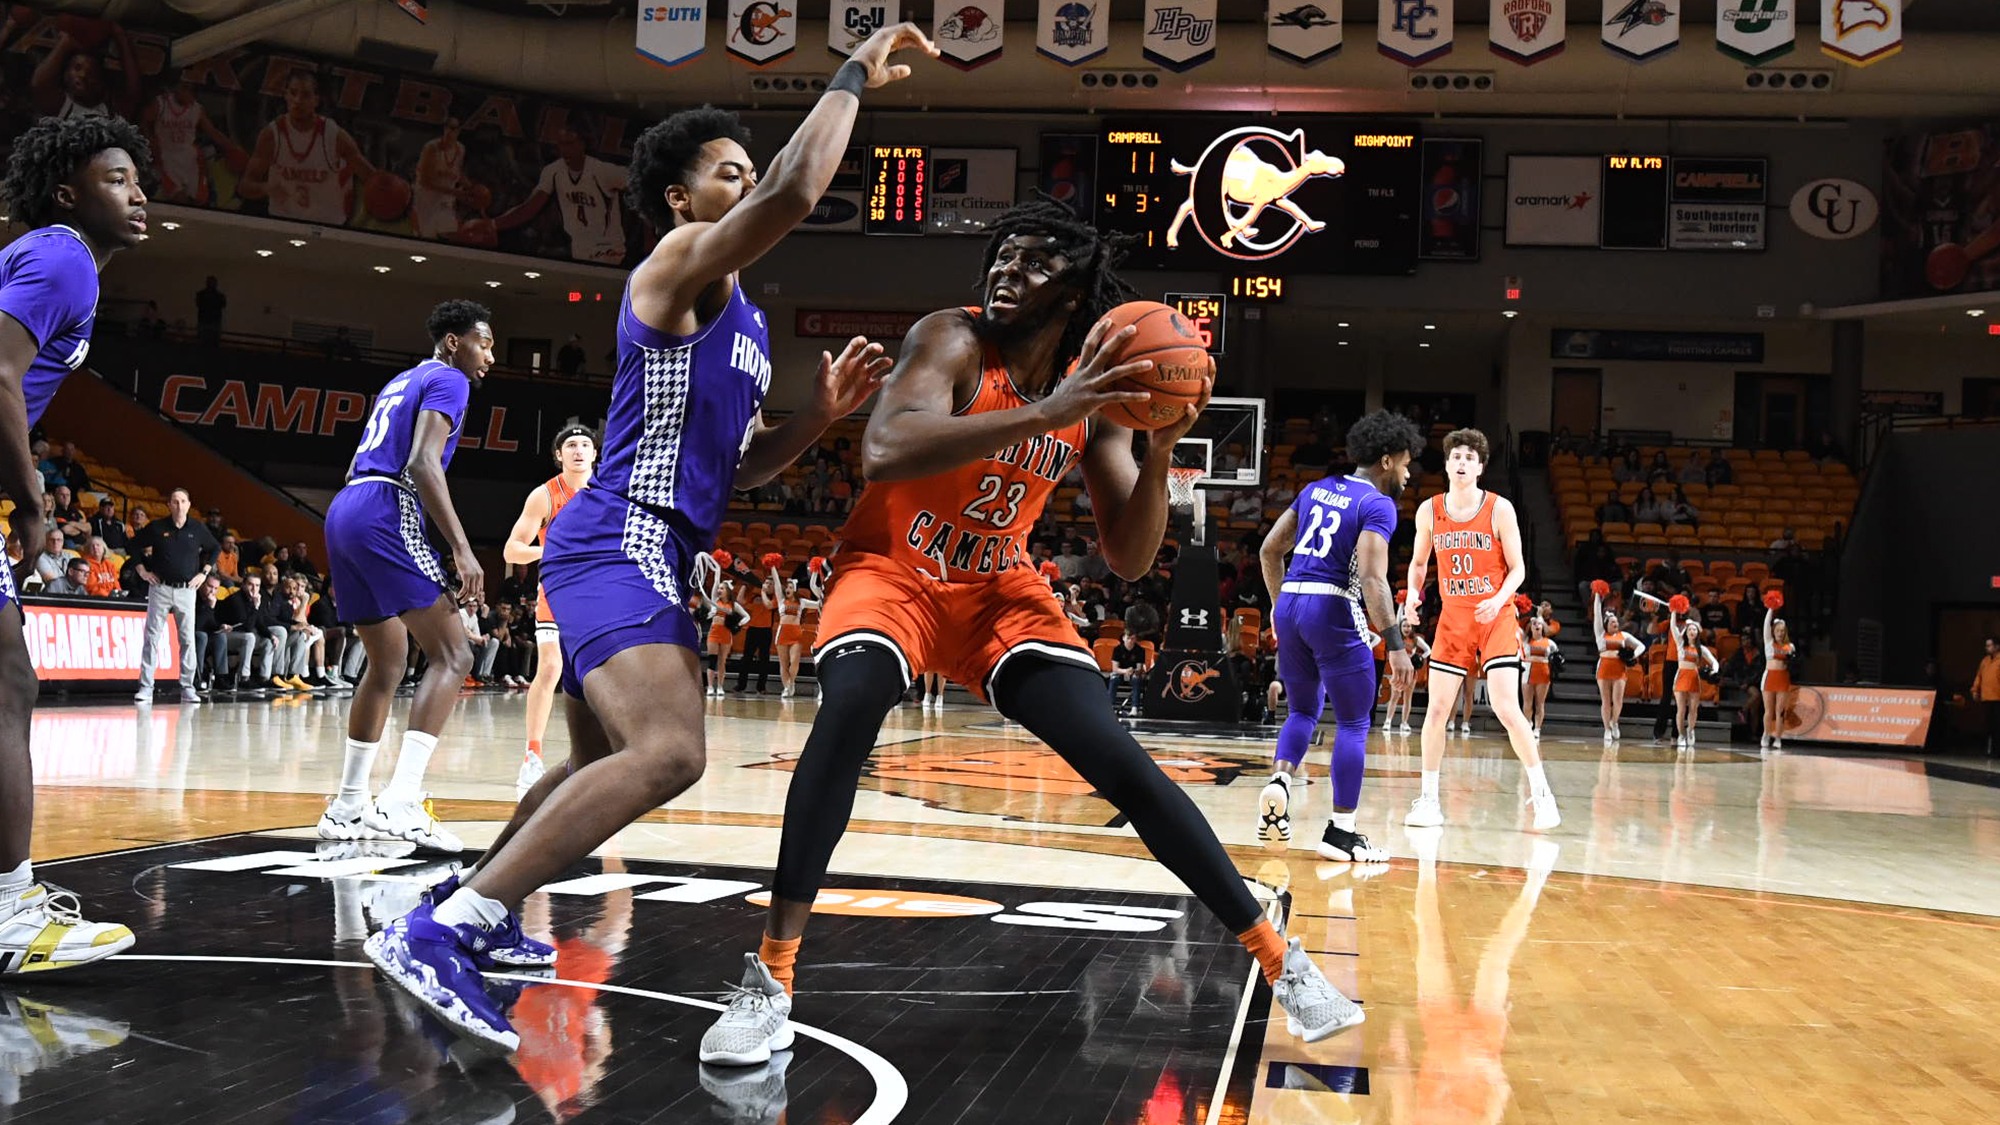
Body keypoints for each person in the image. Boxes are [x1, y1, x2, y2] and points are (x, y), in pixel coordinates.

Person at [364, 24, 937, 1051]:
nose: (748, 183)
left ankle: (469, 904)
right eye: (728, 173)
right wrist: (848, 77)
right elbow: (795, 195)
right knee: (670, 752)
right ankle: (448, 929)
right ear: (681, 200)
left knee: (593, 764)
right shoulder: (676, 265)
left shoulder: (747, 321)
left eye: (748, 171)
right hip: (617, 533)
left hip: (665, 544)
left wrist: (818, 420)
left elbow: (744, 468)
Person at [698, 198, 1361, 1070]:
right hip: (894, 568)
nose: (1009, 270)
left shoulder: (1092, 392)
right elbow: (887, 449)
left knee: (1116, 755)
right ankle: (771, 980)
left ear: (1078, 290)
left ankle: (1285, 965)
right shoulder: (954, 339)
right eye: (1003, 256)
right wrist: (1054, 413)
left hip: (998, 590)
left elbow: (1128, 556)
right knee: (849, 708)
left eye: (1037, 261)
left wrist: (1158, 451)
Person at [0, 113, 151, 973]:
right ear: (67, 193)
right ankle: (11, 912)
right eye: (118, 180)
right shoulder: (63, 257)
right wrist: (30, 502)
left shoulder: (53, 261)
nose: (140, 195)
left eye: (137, 180)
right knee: (8, 685)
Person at [314, 300, 494, 853]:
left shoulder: (401, 379)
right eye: (483, 343)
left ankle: (347, 805)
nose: (489, 357)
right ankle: (402, 798)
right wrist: (462, 549)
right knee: (455, 654)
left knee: (387, 661)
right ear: (452, 342)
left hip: (345, 506)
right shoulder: (449, 379)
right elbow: (421, 462)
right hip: (387, 506)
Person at [1256, 410, 1422, 862]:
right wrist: (1396, 644)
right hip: (1332, 604)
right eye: (1406, 463)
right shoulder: (1378, 505)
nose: (1408, 473)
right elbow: (1372, 579)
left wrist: (1278, 607)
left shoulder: (1315, 489)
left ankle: (1280, 781)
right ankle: (1342, 833)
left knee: (1303, 710)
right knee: (1352, 722)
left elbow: (1270, 550)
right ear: (1387, 460)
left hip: (1290, 602)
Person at [1403, 429, 1560, 833]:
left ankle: (1542, 794)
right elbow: (1419, 564)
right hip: (1454, 618)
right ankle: (1429, 800)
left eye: (1470, 457)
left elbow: (1519, 567)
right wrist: (1412, 597)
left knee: (1508, 708)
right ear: (1447, 463)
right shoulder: (1429, 510)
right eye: (1455, 455)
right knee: (1436, 710)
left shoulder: (1500, 509)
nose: (1461, 462)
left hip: (1496, 616)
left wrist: (1500, 596)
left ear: (1480, 466)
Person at [501, 422, 597, 797]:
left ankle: (592, 755)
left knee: (595, 675)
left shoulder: (606, 493)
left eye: (584, 444)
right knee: (552, 667)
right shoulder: (544, 495)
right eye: (570, 444)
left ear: (594, 454)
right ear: (559, 455)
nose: (577, 450)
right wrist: (551, 552)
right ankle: (532, 756)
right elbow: (512, 550)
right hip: (558, 589)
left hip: (598, 594)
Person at [236, 70, 377, 226]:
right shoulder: (272, 135)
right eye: (293, 93)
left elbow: (372, 179)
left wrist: (389, 193)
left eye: (305, 95)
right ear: (285, 95)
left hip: (328, 227)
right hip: (282, 224)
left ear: (316, 100)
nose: (298, 100)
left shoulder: (334, 136)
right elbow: (244, 186)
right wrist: (266, 188)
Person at [130, 487, 219, 702]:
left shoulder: (197, 528)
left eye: (183, 501)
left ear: (189, 504)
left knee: (187, 639)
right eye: (175, 502)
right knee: (152, 637)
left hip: (187, 590)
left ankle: (188, 687)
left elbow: (215, 548)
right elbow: (133, 545)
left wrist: (204, 573)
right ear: (169, 505)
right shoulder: (157, 527)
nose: (179, 505)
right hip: (160, 588)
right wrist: (142, 570)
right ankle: (146, 687)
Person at [492, 127, 630, 265]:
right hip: (579, 249)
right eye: (561, 144)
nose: (564, 149)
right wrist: (493, 224)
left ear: (583, 144)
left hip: (608, 248)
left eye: (569, 143)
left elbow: (644, 185)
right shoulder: (553, 171)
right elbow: (530, 207)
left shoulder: (604, 171)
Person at [141, 73, 241, 206]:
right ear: (178, 88)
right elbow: (144, 121)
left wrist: (232, 148)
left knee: (199, 201)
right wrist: (150, 140)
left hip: (190, 157)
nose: (188, 93)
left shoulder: (197, 109)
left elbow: (212, 132)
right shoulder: (161, 103)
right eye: (185, 88)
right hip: (167, 155)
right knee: (178, 197)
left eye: (191, 90)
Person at [1591, 590, 1646, 741]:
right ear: (1606, 624)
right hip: (1603, 669)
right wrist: (1597, 595)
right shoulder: (1601, 634)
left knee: (1618, 700)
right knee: (1606, 700)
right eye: (1612, 622)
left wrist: (1632, 656)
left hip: (1619, 669)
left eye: (1616, 621)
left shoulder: (1625, 636)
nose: (1615, 623)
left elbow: (1641, 646)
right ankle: (1606, 729)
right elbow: (1597, 614)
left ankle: (1614, 722)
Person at [411, 117, 467, 239]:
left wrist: (470, 187)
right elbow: (425, 182)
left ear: (459, 131)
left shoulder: (460, 149)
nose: (449, 131)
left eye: (453, 128)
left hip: (445, 200)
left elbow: (457, 171)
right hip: (425, 199)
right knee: (426, 239)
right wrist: (455, 192)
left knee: (452, 235)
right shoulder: (431, 148)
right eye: (447, 127)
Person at [1669, 610, 1718, 750]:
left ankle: (1690, 730)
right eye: (1690, 629)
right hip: (1681, 677)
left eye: (1694, 629)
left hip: (1694, 678)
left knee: (1693, 709)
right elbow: (1673, 627)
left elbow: (1714, 662)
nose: (1692, 631)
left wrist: (1714, 670)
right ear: (1686, 631)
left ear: (1697, 632)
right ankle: (1681, 735)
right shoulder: (1680, 644)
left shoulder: (1701, 648)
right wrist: (1673, 612)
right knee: (1680, 709)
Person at [771, 574, 819, 700]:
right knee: (783, 663)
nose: (788, 589)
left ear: (795, 590)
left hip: (796, 633)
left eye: (791, 587)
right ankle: (786, 687)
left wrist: (822, 593)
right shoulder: (781, 600)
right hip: (782, 632)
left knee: (794, 661)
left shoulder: (801, 602)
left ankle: (791, 682)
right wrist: (773, 567)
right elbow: (776, 582)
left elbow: (818, 604)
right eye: (787, 587)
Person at [1383, 620, 1429, 733]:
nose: (1406, 628)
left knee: (1407, 699)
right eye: (1404, 626)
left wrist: (1419, 658)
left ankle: (1404, 723)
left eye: (1408, 626)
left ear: (1412, 628)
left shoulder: (1416, 639)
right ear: (1401, 627)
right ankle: (1388, 721)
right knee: (1394, 697)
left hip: (1411, 672)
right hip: (1398, 671)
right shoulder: (1397, 639)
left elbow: (1428, 650)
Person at [1761, 600, 1795, 749]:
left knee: (1780, 711)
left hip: (1782, 678)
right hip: (1769, 678)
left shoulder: (1790, 646)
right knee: (1768, 711)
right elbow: (1766, 624)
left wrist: (1792, 657)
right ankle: (1766, 735)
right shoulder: (1768, 642)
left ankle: (1778, 738)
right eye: (1777, 630)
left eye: (1782, 631)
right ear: (1773, 631)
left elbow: (1793, 660)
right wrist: (1771, 608)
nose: (1780, 633)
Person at [1523, 615, 1558, 740]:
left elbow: (1557, 659)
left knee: (1540, 703)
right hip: (1527, 672)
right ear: (1530, 627)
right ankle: (1528, 724)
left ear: (1543, 627)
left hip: (1543, 673)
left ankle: (1537, 728)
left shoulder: (1550, 643)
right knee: (1527, 702)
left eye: (1539, 624)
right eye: (1534, 624)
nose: (1537, 626)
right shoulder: (1525, 641)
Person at [1107, 629, 1148, 712]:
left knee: (1136, 679)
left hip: (1133, 673)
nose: (1130, 641)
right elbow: (1115, 668)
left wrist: (1133, 671)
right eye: (1128, 638)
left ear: (1135, 639)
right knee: (1113, 679)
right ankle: (1110, 707)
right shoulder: (1117, 649)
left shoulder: (1140, 650)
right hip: (1121, 672)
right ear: (1123, 638)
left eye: (1133, 638)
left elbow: (1139, 668)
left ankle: (1134, 708)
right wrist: (1125, 671)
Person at [1973, 636, 2000, 758]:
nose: (1987, 648)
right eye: (1986, 645)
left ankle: (1997, 750)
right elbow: (1979, 676)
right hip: (1986, 698)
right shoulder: (1985, 661)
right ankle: (1989, 750)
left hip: (1998, 698)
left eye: (1989, 645)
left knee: (1997, 726)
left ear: (1997, 646)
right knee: (1988, 725)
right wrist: (1975, 690)